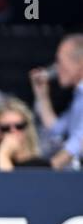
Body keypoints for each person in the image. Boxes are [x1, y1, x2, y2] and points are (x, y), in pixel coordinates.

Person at [30, 34, 83, 170]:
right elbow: (56, 129)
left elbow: (79, 140)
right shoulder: (78, 96)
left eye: (60, 61)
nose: (56, 68)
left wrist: (49, 168)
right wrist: (42, 96)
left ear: (80, 63)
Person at [0, 99, 48, 171]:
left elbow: (9, 182)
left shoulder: (41, 167)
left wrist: (4, 155)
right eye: (5, 128)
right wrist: (3, 154)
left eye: (19, 126)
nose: (13, 132)